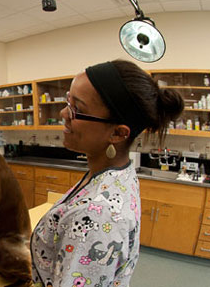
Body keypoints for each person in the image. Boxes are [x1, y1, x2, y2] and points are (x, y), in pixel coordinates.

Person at [31, 60, 184, 287]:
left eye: (77, 109)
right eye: (68, 100)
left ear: (118, 133)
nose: (63, 113)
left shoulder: (97, 216)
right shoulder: (116, 173)